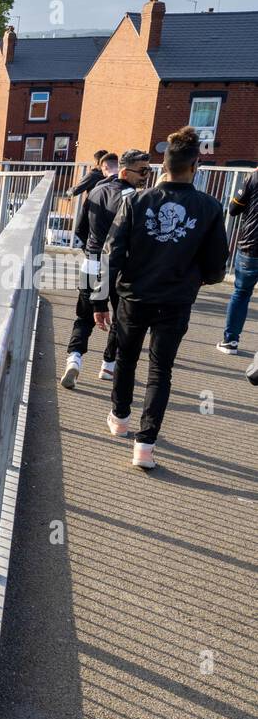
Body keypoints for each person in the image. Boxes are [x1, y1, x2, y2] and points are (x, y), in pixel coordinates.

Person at [95, 127, 228, 469]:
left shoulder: (136, 201)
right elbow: (216, 270)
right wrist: (195, 277)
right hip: (176, 300)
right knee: (160, 370)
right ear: (195, 165)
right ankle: (145, 445)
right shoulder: (210, 208)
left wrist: (98, 301)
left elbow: (111, 254)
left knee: (126, 360)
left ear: (161, 165)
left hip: (134, 297)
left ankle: (120, 417)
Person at [62, 150, 150, 388]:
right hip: (120, 267)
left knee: (84, 316)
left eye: (148, 171)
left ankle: (74, 359)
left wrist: (92, 251)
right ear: (124, 170)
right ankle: (108, 365)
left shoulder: (97, 190)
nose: (146, 176)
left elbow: (80, 229)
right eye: (143, 171)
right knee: (120, 317)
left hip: (92, 261)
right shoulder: (137, 199)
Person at [218, 166, 258, 354]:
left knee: (242, 293)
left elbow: (234, 208)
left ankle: (231, 341)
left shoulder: (255, 177)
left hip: (252, 245)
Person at [72, 152, 120, 250]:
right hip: (114, 217)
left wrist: (69, 191)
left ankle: (92, 252)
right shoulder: (124, 182)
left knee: (89, 234)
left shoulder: (94, 177)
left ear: (102, 164)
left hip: (96, 210)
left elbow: (76, 190)